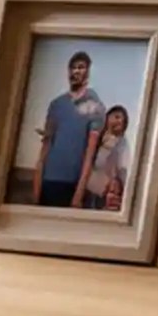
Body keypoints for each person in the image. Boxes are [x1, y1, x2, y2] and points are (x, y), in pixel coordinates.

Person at [33, 51, 105, 208]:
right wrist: (37, 186)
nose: (76, 71)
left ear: (88, 72)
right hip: (48, 180)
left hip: (71, 184)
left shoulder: (95, 106)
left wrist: (78, 194)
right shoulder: (56, 104)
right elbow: (45, 147)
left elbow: (90, 153)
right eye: (73, 68)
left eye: (81, 67)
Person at [81, 106, 130, 211]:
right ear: (108, 117)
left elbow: (122, 170)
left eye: (123, 120)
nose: (120, 121)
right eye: (117, 117)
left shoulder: (121, 143)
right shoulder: (98, 138)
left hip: (102, 196)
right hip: (87, 191)